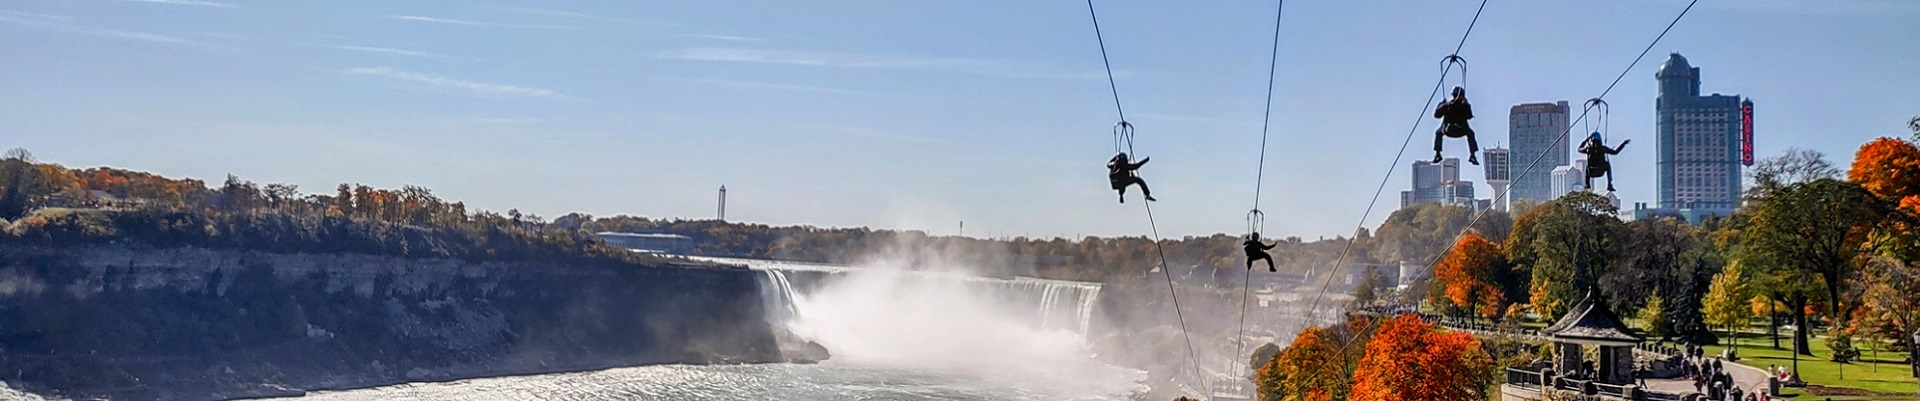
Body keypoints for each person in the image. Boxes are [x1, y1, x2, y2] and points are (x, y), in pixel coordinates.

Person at [1432, 86, 1480, 165]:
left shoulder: (1447, 106)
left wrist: (1441, 105)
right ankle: (1472, 155)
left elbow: (1437, 115)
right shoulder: (1462, 106)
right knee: (1471, 133)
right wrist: (1466, 104)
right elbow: (1469, 116)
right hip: (1460, 130)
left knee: (1438, 133)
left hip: (1449, 130)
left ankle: (1437, 154)